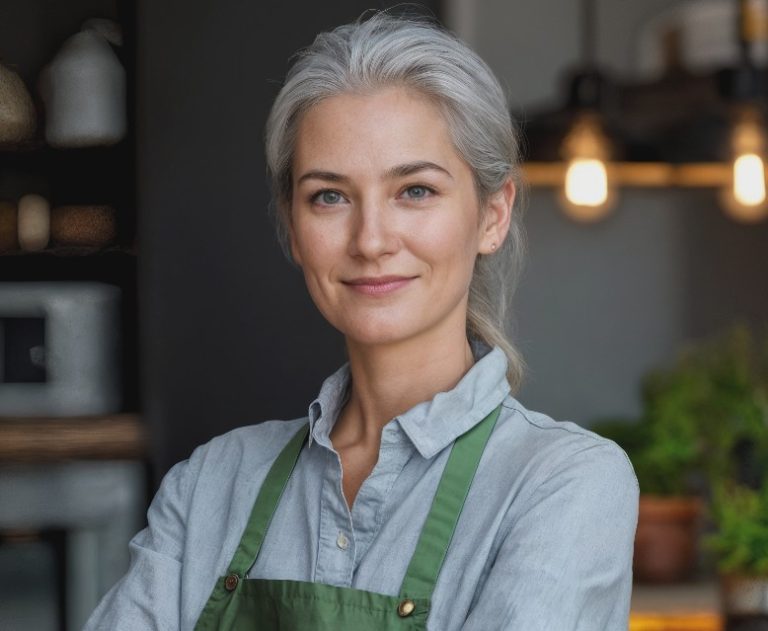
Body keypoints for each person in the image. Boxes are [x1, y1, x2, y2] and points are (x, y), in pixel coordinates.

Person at [84, 11, 639, 631]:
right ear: (293, 229)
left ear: (492, 214)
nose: (371, 240)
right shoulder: (211, 485)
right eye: (330, 196)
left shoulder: (562, 484)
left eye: (416, 190)